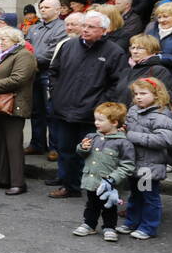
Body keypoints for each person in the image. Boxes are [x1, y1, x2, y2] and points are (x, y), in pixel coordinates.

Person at [47, 11, 126, 199]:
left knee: (95, 153)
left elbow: (118, 84)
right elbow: (54, 72)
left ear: (104, 30)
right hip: (65, 109)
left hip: (94, 114)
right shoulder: (69, 46)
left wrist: (102, 106)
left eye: (91, 27)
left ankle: (95, 189)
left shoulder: (114, 52)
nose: (85, 30)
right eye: (84, 26)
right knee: (66, 151)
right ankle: (69, 186)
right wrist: (57, 94)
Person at [0, 26, 36, 195]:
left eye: (3, 39)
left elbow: (18, 79)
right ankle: (3, 178)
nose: (0, 42)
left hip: (14, 105)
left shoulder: (24, 55)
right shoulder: (5, 54)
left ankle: (18, 183)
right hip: (0, 104)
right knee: (1, 143)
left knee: (13, 145)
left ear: (15, 40)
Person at [72, 102, 136, 243]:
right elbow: (81, 153)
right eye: (95, 119)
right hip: (91, 179)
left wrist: (113, 178)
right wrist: (82, 147)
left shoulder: (123, 143)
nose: (96, 123)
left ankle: (109, 227)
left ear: (114, 122)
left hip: (109, 184)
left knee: (109, 207)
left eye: (100, 120)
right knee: (91, 204)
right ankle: (89, 224)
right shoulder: (92, 136)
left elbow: (128, 165)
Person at [119, 78, 172, 240]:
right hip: (134, 162)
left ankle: (148, 227)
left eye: (143, 93)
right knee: (135, 195)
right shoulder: (133, 110)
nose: (138, 97)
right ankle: (132, 222)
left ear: (157, 95)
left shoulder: (161, 115)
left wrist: (130, 135)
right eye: (136, 94)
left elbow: (164, 140)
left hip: (148, 167)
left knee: (149, 197)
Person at [25, 0, 65, 159]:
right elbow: (26, 46)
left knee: (51, 111)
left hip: (50, 72)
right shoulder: (35, 28)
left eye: (47, 7)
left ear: (58, 10)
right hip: (34, 73)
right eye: (41, 7)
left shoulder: (62, 28)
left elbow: (54, 51)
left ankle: (55, 147)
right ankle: (37, 143)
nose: (42, 10)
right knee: (35, 110)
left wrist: (32, 59)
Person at [121, 34, 172, 103]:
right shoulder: (126, 70)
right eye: (133, 48)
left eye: (140, 48)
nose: (134, 51)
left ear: (151, 50)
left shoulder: (159, 71)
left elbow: (163, 98)